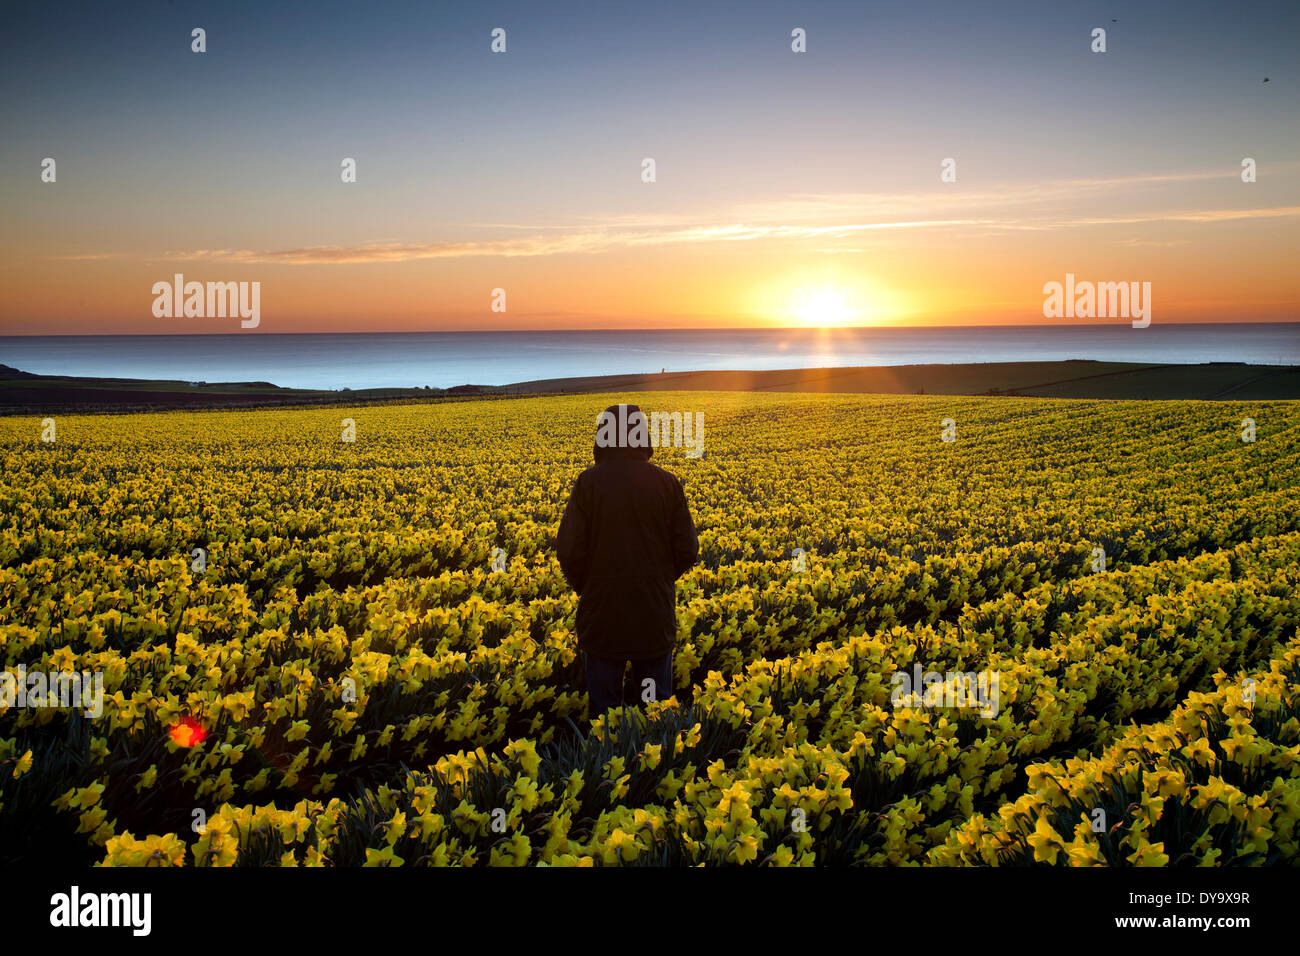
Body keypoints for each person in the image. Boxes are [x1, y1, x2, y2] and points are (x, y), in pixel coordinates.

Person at [557, 403, 699, 720]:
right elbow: (688, 549)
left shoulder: (589, 484)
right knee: (655, 708)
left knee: (605, 717)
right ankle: (657, 766)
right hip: (652, 616)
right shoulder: (666, 483)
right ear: (642, 435)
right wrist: (660, 579)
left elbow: (568, 549)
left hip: (603, 616)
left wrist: (588, 586)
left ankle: (608, 766)